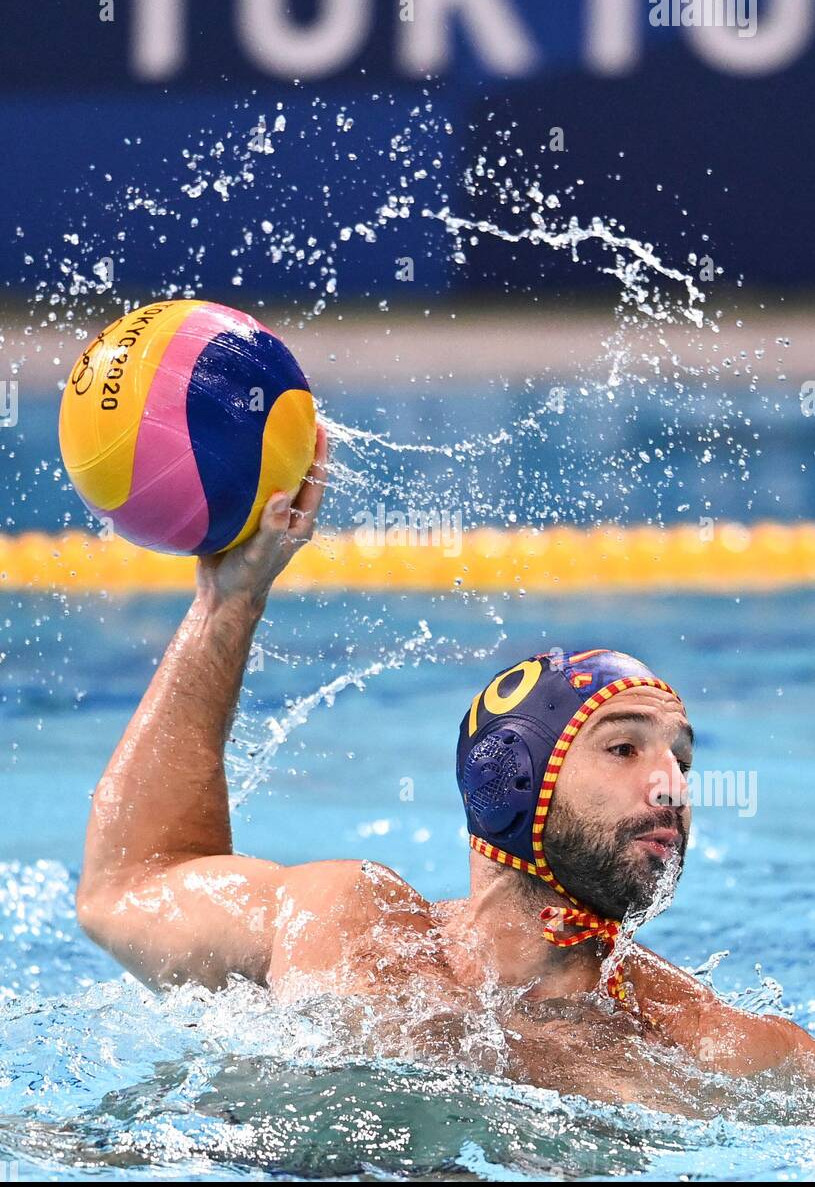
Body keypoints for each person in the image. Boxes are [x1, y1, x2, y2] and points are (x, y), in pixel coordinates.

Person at [77, 424, 815, 1112]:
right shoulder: (347, 925)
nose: (672, 786)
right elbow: (129, 884)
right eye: (624, 749)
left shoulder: (700, 1040)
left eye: (681, 760)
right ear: (514, 779)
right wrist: (226, 604)